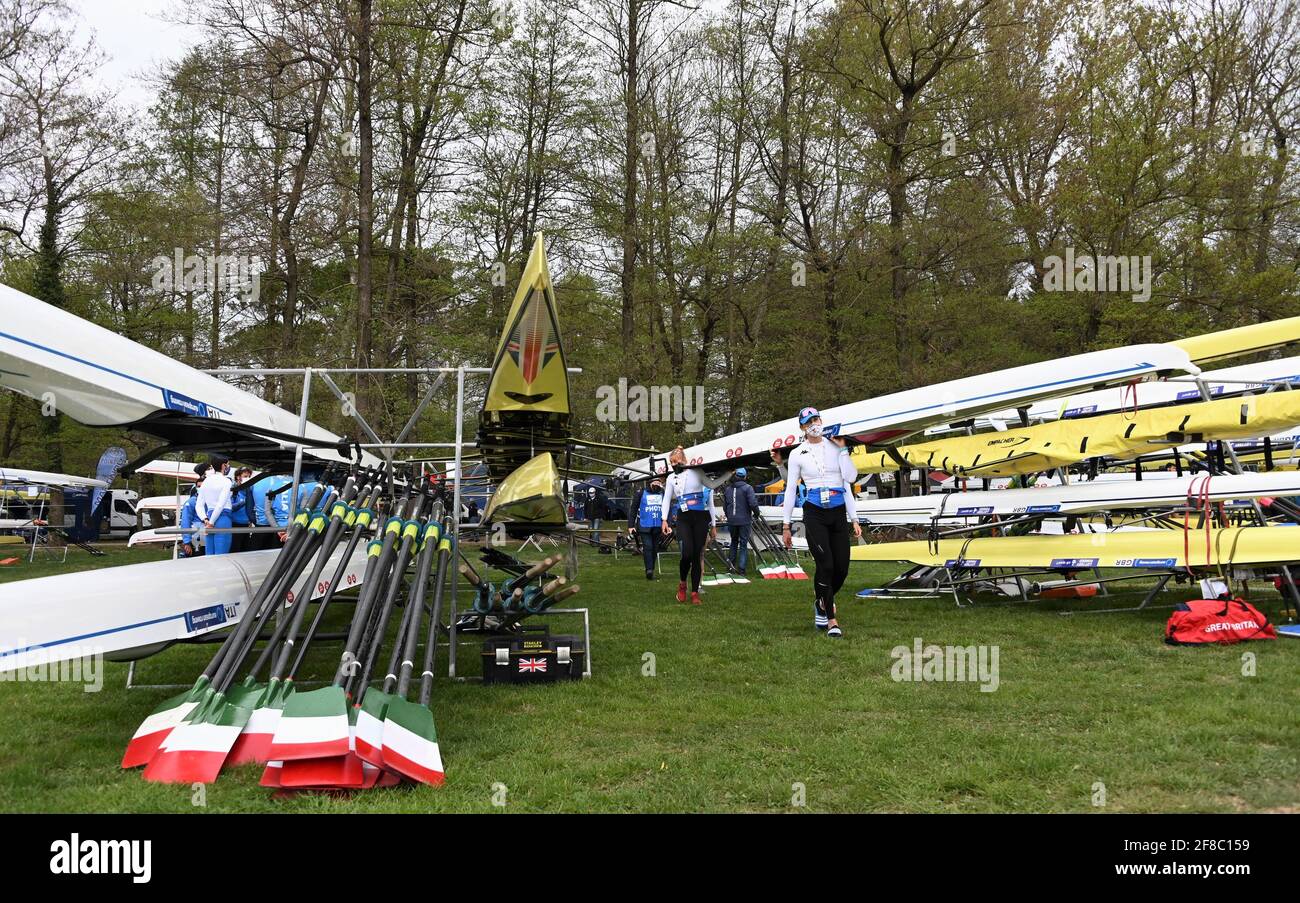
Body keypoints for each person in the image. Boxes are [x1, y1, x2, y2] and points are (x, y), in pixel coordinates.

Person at [781, 407, 861, 638]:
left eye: (816, 419)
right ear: (802, 427)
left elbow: (850, 480)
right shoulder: (797, 453)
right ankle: (831, 620)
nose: (814, 424)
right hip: (814, 513)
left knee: (842, 568)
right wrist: (786, 525)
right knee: (825, 565)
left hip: (837, 512)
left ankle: (822, 602)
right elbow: (790, 490)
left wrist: (854, 517)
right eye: (809, 422)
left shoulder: (836, 446)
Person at [660, 446, 727, 605]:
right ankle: (683, 584)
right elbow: (667, 499)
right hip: (683, 517)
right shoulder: (671, 478)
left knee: (697, 555)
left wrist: (728, 474)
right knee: (687, 554)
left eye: (676, 462)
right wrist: (664, 520)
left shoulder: (696, 471)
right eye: (671, 463)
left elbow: (711, 485)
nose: (674, 465)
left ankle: (695, 592)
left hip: (700, 517)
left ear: (684, 460)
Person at [722, 468, 760, 576]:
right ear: (745, 477)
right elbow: (753, 503)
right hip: (744, 520)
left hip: (732, 520)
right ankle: (741, 570)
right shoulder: (748, 488)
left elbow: (725, 506)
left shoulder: (728, 489)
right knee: (743, 544)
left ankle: (730, 567)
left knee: (733, 542)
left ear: (735, 476)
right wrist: (757, 514)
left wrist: (729, 516)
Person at [195, 455, 235, 556]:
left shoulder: (206, 481)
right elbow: (220, 504)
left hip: (208, 518)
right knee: (221, 556)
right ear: (223, 465)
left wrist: (205, 520)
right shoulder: (226, 481)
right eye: (228, 464)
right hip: (222, 519)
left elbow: (198, 505)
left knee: (210, 555)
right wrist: (211, 523)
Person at [626, 477, 666, 580]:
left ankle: (651, 568)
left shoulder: (663, 493)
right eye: (655, 482)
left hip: (658, 526)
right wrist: (631, 525)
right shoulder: (640, 493)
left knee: (655, 549)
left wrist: (667, 523)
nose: (657, 484)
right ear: (650, 483)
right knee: (648, 547)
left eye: (659, 483)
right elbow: (633, 509)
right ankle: (649, 570)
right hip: (644, 526)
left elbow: (667, 508)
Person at [229, 467, 254, 553]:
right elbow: (230, 507)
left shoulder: (249, 490)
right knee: (235, 551)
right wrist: (243, 502)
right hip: (234, 525)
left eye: (249, 476)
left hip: (246, 526)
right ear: (238, 477)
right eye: (245, 476)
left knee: (246, 552)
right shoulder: (233, 489)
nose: (248, 478)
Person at [179, 482, 203, 557]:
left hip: (206, 537)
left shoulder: (207, 501)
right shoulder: (191, 502)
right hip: (196, 540)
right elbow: (185, 522)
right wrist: (187, 542)